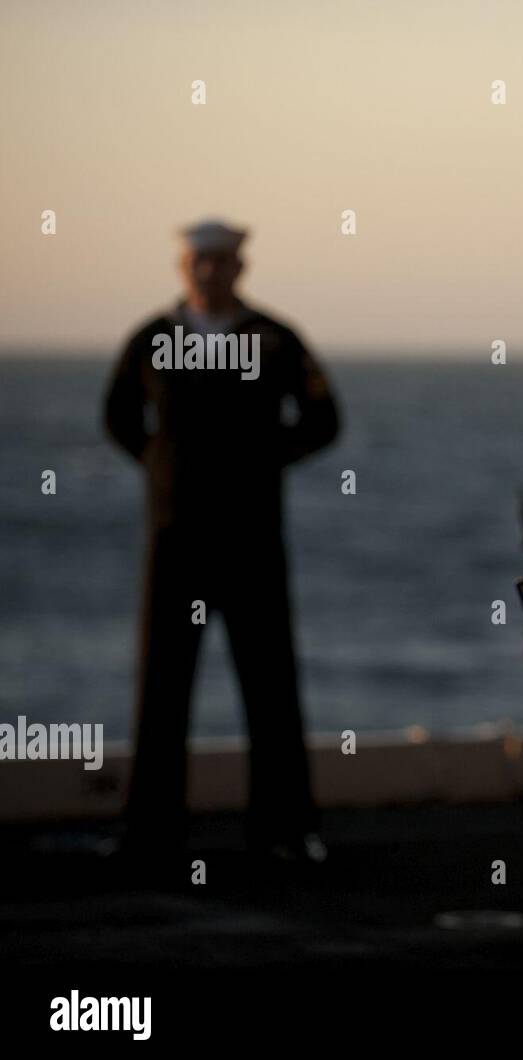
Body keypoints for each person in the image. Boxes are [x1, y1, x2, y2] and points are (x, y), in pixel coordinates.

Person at [104, 219, 340, 866]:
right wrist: (163, 467)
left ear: (241, 266)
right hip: (176, 537)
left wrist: (266, 461)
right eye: (198, 260)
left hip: (253, 538)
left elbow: (324, 417)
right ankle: (150, 833)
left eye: (222, 260)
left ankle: (286, 831)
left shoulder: (273, 339)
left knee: (270, 682)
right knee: (162, 685)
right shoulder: (153, 340)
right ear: (182, 267)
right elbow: (119, 416)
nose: (210, 272)